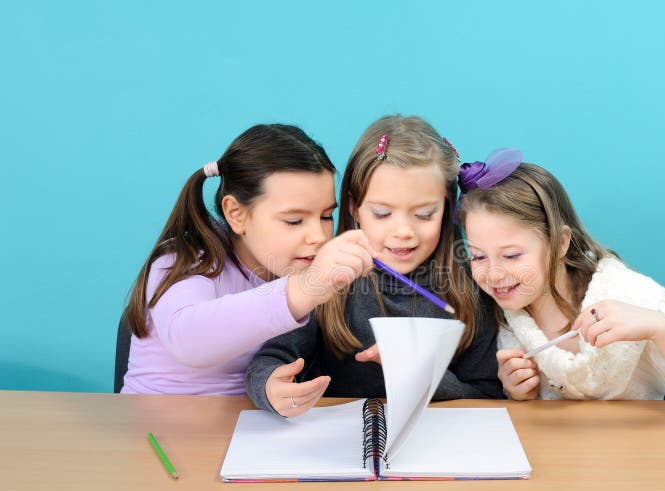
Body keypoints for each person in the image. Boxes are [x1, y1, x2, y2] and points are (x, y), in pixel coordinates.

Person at [456, 149, 665, 419]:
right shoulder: (506, 323)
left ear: (561, 243)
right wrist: (519, 393)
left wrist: (660, 327)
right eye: (478, 256)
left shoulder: (631, 296)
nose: (493, 275)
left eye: (511, 255)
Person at [246, 115, 503, 417]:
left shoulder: (470, 289)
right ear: (354, 207)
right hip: (337, 452)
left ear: (448, 208)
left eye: (424, 214)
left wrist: (420, 375)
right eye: (382, 213)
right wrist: (270, 387)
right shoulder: (324, 281)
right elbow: (266, 363)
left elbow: (488, 395)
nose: (403, 231)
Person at [122, 124, 374, 395]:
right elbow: (187, 339)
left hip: (250, 430)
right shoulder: (185, 257)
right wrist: (303, 290)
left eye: (326, 216)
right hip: (160, 430)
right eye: (294, 220)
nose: (318, 236)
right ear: (236, 214)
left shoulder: (293, 266)